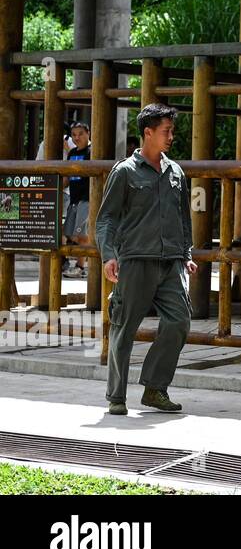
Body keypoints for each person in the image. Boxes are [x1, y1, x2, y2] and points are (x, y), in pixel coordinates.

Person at [96, 104, 196, 416]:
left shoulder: (175, 171)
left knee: (179, 321)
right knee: (124, 327)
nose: (171, 137)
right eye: (166, 131)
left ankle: (154, 388)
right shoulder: (124, 172)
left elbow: (183, 218)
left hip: (171, 263)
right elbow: (106, 220)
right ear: (148, 133)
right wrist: (109, 255)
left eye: (172, 131)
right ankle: (116, 396)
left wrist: (187, 254)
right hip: (136, 259)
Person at [62, 122, 92, 278]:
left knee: (82, 235)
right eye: (74, 135)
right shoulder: (71, 153)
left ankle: (80, 267)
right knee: (69, 233)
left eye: (80, 133)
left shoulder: (92, 152)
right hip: (73, 199)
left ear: (88, 133)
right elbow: (67, 178)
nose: (77, 137)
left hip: (87, 198)